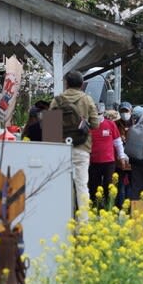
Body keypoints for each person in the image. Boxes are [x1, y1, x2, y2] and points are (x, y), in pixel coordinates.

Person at [50, 70, 100, 214]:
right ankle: (83, 223)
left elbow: (50, 131)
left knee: (62, 186)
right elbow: (96, 125)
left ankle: (64, 219)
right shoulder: (87, 99)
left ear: (66, 84)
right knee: (82, 185)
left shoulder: (57, 100)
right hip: (82, 147)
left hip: (61, 149)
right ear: (82, 84)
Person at [89, 109, 127, 209]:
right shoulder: (89, 126)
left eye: (99, 114)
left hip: (109, 162)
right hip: (93, 162)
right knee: (94, 187)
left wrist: (122, 157)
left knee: (108, 186)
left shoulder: (110, 124)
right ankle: (95, 207)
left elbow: (118, 142)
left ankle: (109, 207)